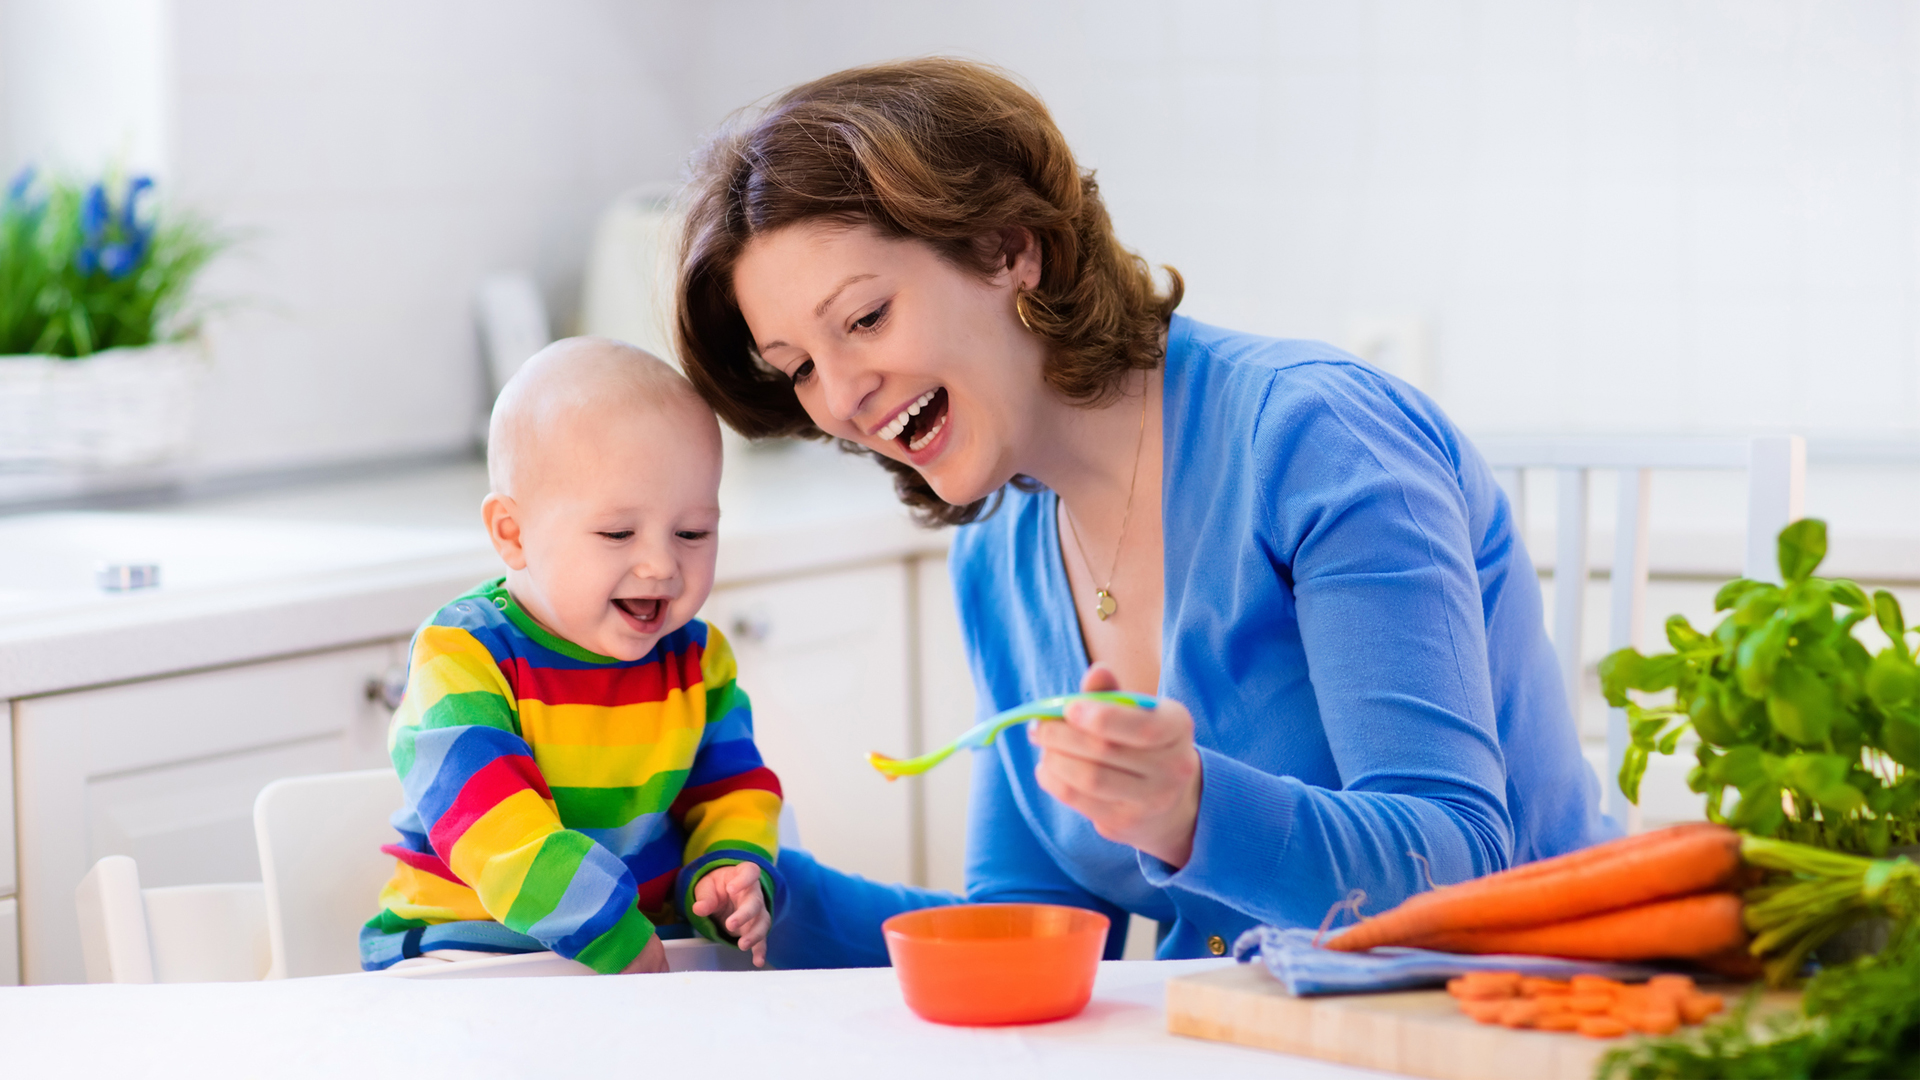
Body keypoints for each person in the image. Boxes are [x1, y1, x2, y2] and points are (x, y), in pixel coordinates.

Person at [676, 58, 1615, 967]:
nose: (840, 396)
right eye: (796, 365)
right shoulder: (999, 554)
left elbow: (1460, 863)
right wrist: (764, 895)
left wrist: (1193, 809)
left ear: (1011, 249)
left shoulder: (1314, 439)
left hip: (1531, 1014)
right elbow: (1025, 922)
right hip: (1245, 1036)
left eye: (866, 318)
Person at [361, 338, 782, 973]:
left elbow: (732, 791)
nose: (662, 565)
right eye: (618, 533)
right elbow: (497, 833)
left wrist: (730, 869)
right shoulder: (463, 654)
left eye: (692, 532)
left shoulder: (698, 659)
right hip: (467, 955)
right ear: (513, 533)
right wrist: (614, 935)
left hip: (648, 948)